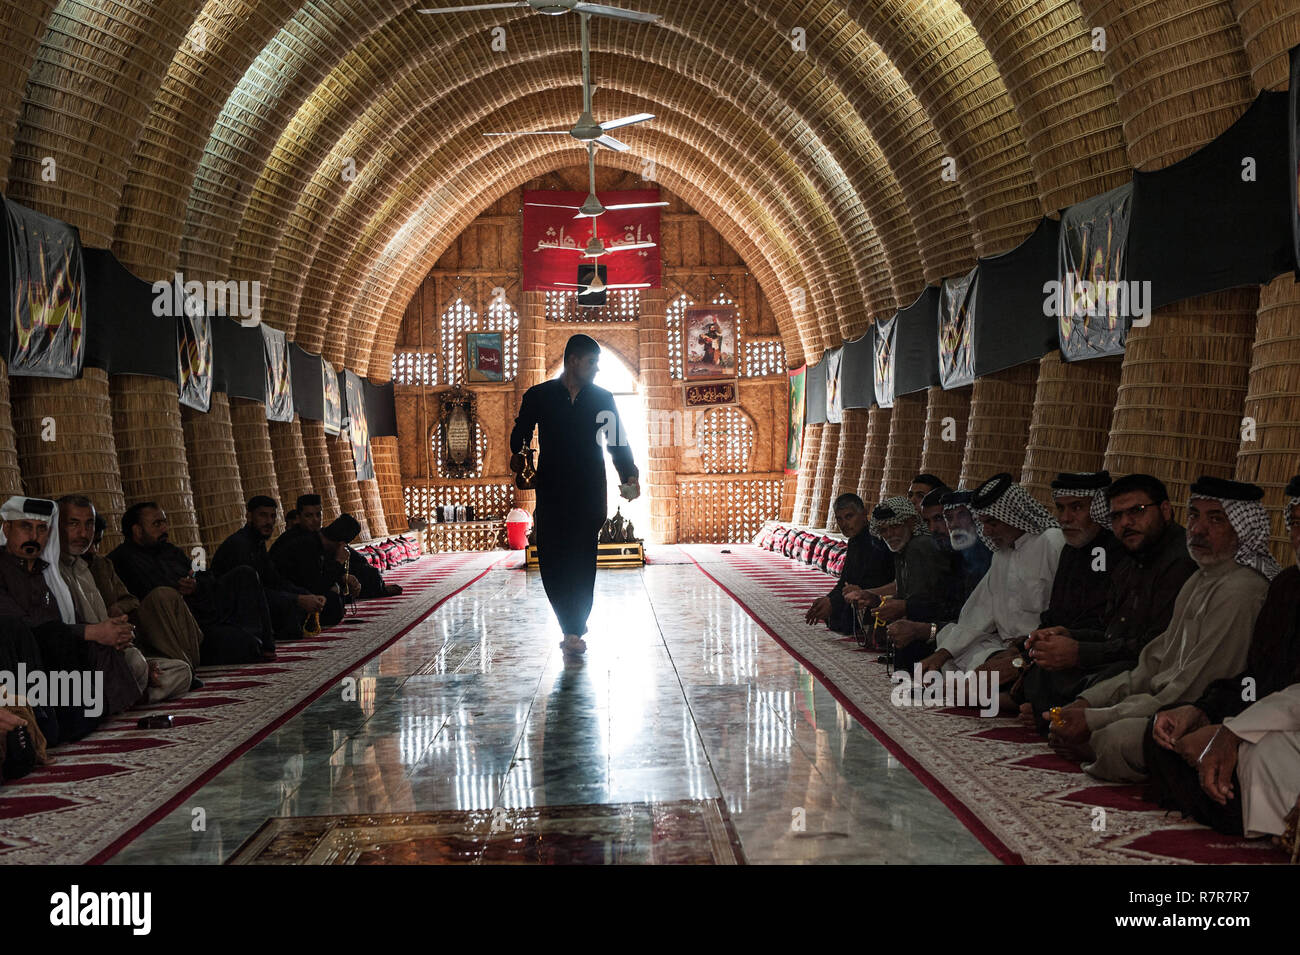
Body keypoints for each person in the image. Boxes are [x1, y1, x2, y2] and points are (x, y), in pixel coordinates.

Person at [1049, 476, 1276, 782]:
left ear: (1243, 527)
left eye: (1216, 519)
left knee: (1116, 738)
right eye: (1194, 515)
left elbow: (1192, 691)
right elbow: (1152, 663)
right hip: (1160, 702)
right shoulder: (1200, 579)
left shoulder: (1241, 590)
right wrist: (1089, 703)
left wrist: (1095, 719)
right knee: (1083, 707)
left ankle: (1094, 745)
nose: (1198, 529)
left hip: (1198, 714)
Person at [1143, 476, 1300, 835]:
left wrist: (1232, 733)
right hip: (1267, 717)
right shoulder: (1288, 586)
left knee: (1261, 752)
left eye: (1216, 518)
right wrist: (1202, 712)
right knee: (1163, 734)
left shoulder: (1246, 588)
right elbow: (1256, 678)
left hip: (1283, 729)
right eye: (1297, 523)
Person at [1017, 474, 1196, 728]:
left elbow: (1157, 649)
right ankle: (1052, 715)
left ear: (1165, 510)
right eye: (1117, 516)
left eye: (1137, 511)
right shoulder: (1130, 558)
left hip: (1156, 669)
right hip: (1122, 658)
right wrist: (1069, 635)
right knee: (1045, 670)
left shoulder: (1181, 561)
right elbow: (1112, 632)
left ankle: (1055, 717)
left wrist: (1079, 652)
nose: (1126, 523)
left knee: (1108, 678)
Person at [509, 333, 640, 656]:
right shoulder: (539, 396)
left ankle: (573, 629)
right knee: (552, 559)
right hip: (552, 488)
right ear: (573, 361)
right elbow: (518, 437)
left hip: (589, 489)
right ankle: (567, 622)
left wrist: (629, 474)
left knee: (582, 560)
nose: (597, 369)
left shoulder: (601, 398)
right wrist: (521, 446)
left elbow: (617, 441)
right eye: (592, 363)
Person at [0, 496, 139, 741]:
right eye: (26, 527)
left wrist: (106, 632)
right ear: (6, 528)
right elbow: (21, 627)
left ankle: (109, 710)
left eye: (41, 529)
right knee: (60, 636)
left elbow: (69, 623)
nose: (34, 536)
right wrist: (90, 632)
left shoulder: (47, 572)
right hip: (18, 665)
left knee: (100, 644)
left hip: (56, 664)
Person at [918, 475, 1065, 682]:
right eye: (982, 523)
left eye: (991, 522)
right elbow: (979, 612)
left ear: (1014, 514)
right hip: (1003, 647)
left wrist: (1021, 652)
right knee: (949, 642)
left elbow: (1064, 615)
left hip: (1039, 649)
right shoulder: (1001, 555)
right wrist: (940, 655)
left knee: (979, 674)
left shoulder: (1051, 542)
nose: (985, 532)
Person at [1013, 472, 1126, 724]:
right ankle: (1042, 705)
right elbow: (1055, 611)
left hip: (1099, 651)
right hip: (1065, 647)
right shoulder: (1071, 550)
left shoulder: (1116, 550)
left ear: (1099, 509)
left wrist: (1067, 643)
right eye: (1061, 508)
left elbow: (1106, 623)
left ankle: (1046, 710)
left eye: (1076, 508)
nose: (1065, 518)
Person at [56, 496, 188, 705]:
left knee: (181, 671)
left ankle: (132, 691)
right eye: (73, 524)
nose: (83, 534)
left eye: (88, 525)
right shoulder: (52, 569)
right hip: (86, 658)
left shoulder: (88, 567)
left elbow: (129, 602)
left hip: (116, 651)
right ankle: (132, 691)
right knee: (136, 661)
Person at [110, 502, 274, 664]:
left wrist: (196, 585)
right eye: (157, 524)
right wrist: (177, 589)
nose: (164, 529)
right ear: (137, 531)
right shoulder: (123, 559)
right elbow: (147, 599)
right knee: (245, 645)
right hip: (183, 631)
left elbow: (205, 575)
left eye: (164, 523)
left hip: (205, 612)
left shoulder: (170, 550)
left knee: (245, 574)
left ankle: (263, 644)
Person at [845, 495, 957, 667]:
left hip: (940, 632)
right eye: (883, 530)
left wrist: (900, 610)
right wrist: (874, 599)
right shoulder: (902, 549)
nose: (889, 535)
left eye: (895, 527)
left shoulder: (919, 546)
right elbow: (907, 596)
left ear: (911, 522)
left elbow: (926, 604)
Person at [213, 496, 325, 641]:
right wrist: (297, 599)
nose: (269, 522)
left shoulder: (258, 544)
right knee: (287, 611)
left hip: (261, 600)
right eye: (263, 515)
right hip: (233, 610)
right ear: (249, 516)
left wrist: (307, 595)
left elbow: (275, 581)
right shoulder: (239, 545)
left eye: (272, 516)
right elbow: (252, 592)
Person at [804, 492, 895, 635]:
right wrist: (829, 599)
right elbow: (846, 580)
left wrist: (843, 598)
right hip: (859, 593)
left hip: (880, 596)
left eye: (849, 517)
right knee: (835, 609)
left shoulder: (876, 540)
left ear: (864, 514)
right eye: (839, 519)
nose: (844, 524)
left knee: (847, 613)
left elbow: (879, 580)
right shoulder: (855, 541)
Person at [270, 512, 361, 627]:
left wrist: (343, 577)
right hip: (282, 595)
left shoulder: (321, 541)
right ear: (341, 544)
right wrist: (338, 563)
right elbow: (316, 586)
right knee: (332, 602)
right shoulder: (307, 544)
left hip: (297, 589)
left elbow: (323, 575)